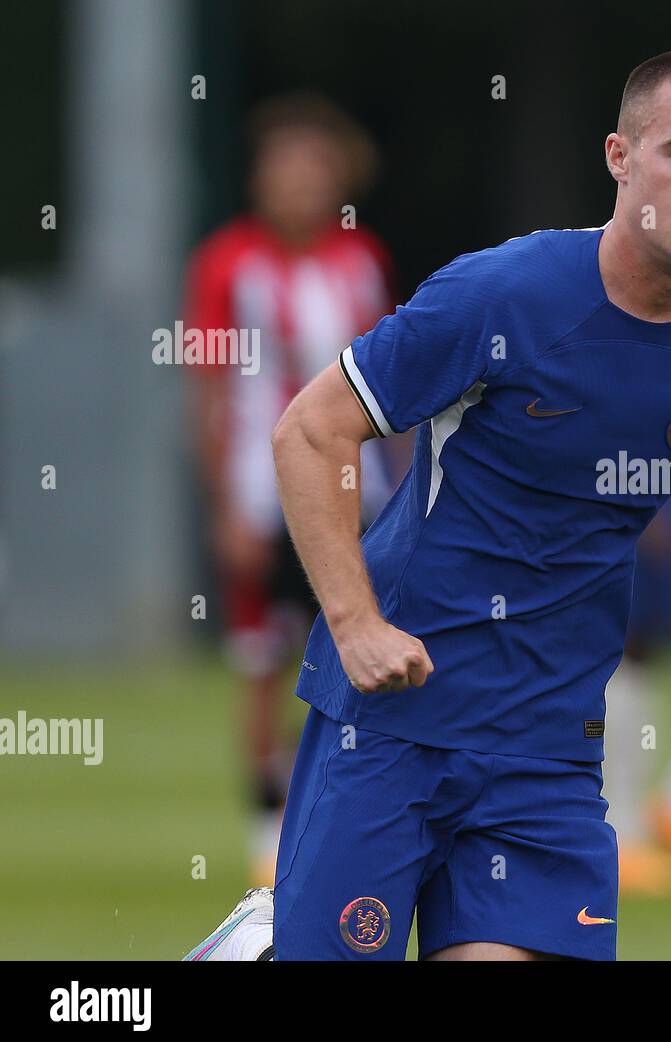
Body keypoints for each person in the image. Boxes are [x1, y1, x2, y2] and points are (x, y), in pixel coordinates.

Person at [185, 49, 671, 963]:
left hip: (550, 746)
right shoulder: (502, 292)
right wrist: (356, 622)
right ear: (620, 157)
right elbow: (310, 432)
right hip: (396, 719)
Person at [185, 94, 401, 889]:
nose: (298, 186)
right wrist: (221, 505)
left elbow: (393, 380)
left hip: (359, 490)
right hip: (260, 491)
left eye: (315, 172)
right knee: (263, 658)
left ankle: (344, 814)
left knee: (356, 654)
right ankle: (265, 832)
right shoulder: (225, 262)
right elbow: (207, 390)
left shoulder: (362, 260)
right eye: (284, 171)